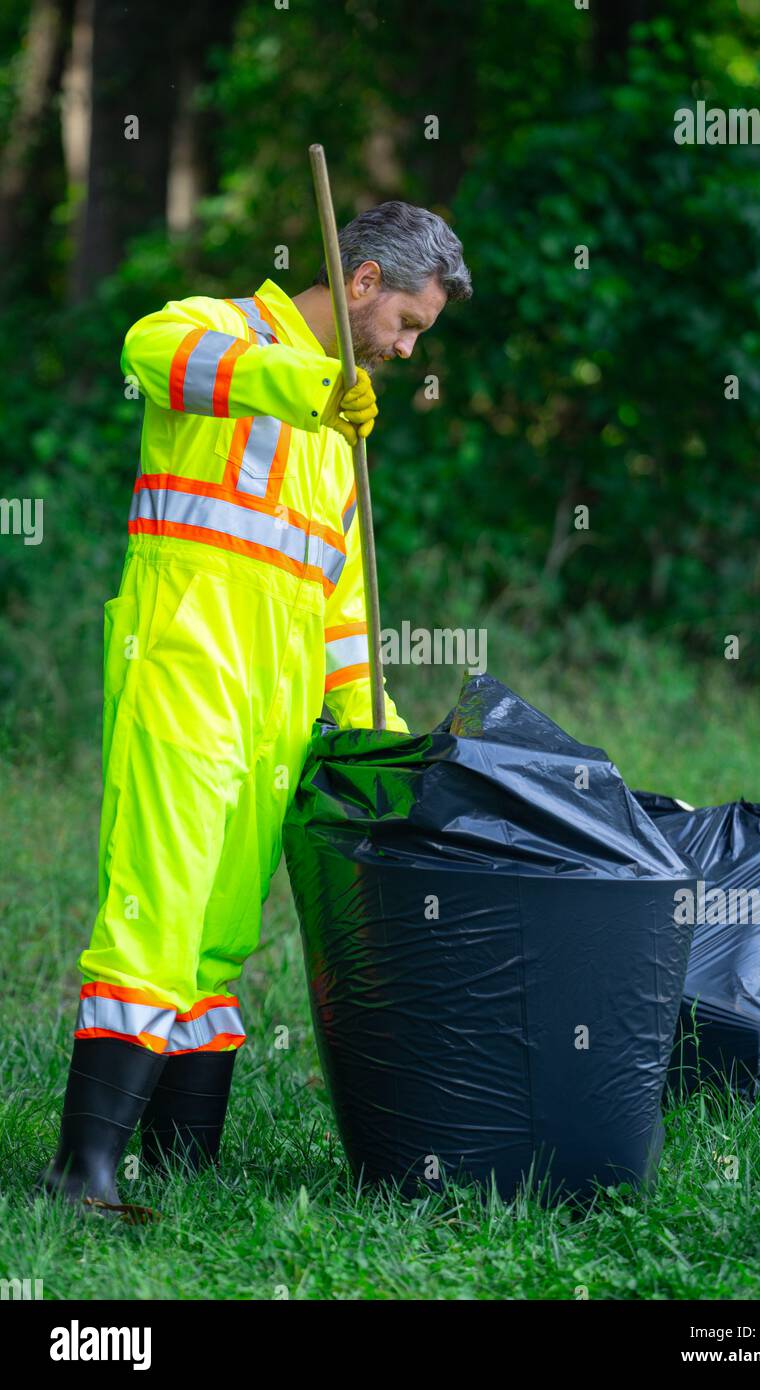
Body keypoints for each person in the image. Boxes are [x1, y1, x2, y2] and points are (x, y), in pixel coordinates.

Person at [38, 200, 472, 1217]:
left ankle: (182, 1160)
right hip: (183, 664)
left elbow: (344, 606)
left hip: (275, 708)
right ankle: (80, 1168)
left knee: (220, 929)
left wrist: (373, 735)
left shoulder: (343, 440)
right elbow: (149, 350)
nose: (407, 350)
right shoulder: (224, 330)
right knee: (158, 905)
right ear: (360, 280)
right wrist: (308, 384)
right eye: (405, 324)